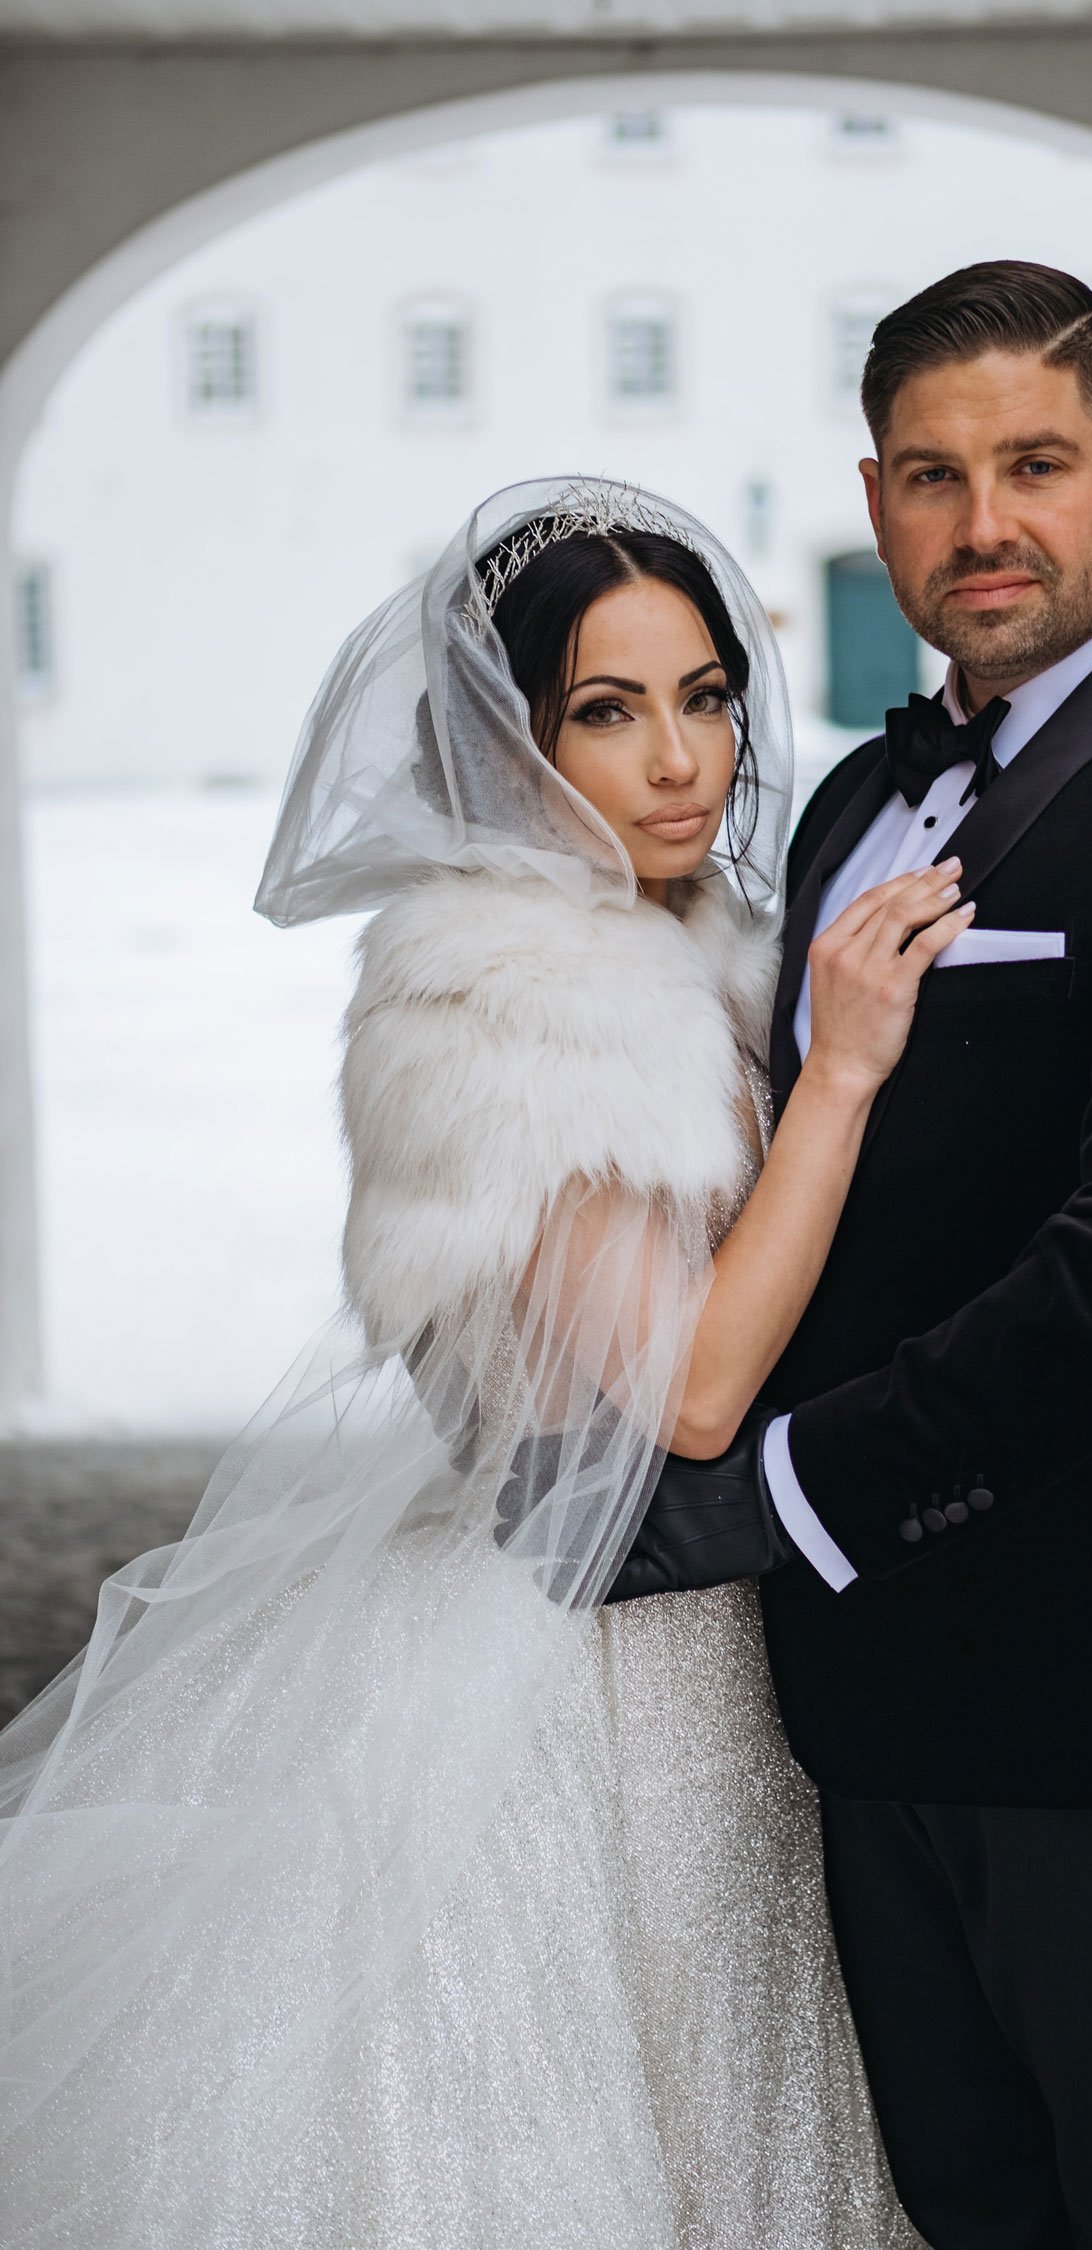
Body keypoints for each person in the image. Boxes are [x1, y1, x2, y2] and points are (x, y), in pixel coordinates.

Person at [0, 479, 955, 2248]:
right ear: (507, 741)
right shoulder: (496, 1006)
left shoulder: (704, 959)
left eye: (705, 694)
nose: (681, 757)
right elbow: (682, 1394)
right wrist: (842, 1081)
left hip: (723, 1655)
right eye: (608, 709)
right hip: (572, 1682)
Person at [610, 265, 1092, 2249]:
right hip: (868, 1710)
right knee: (957, 2212)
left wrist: (777, 1490)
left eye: (1037, 465)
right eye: (936, 477)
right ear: (875, 500)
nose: (986, 526)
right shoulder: (858, 807)